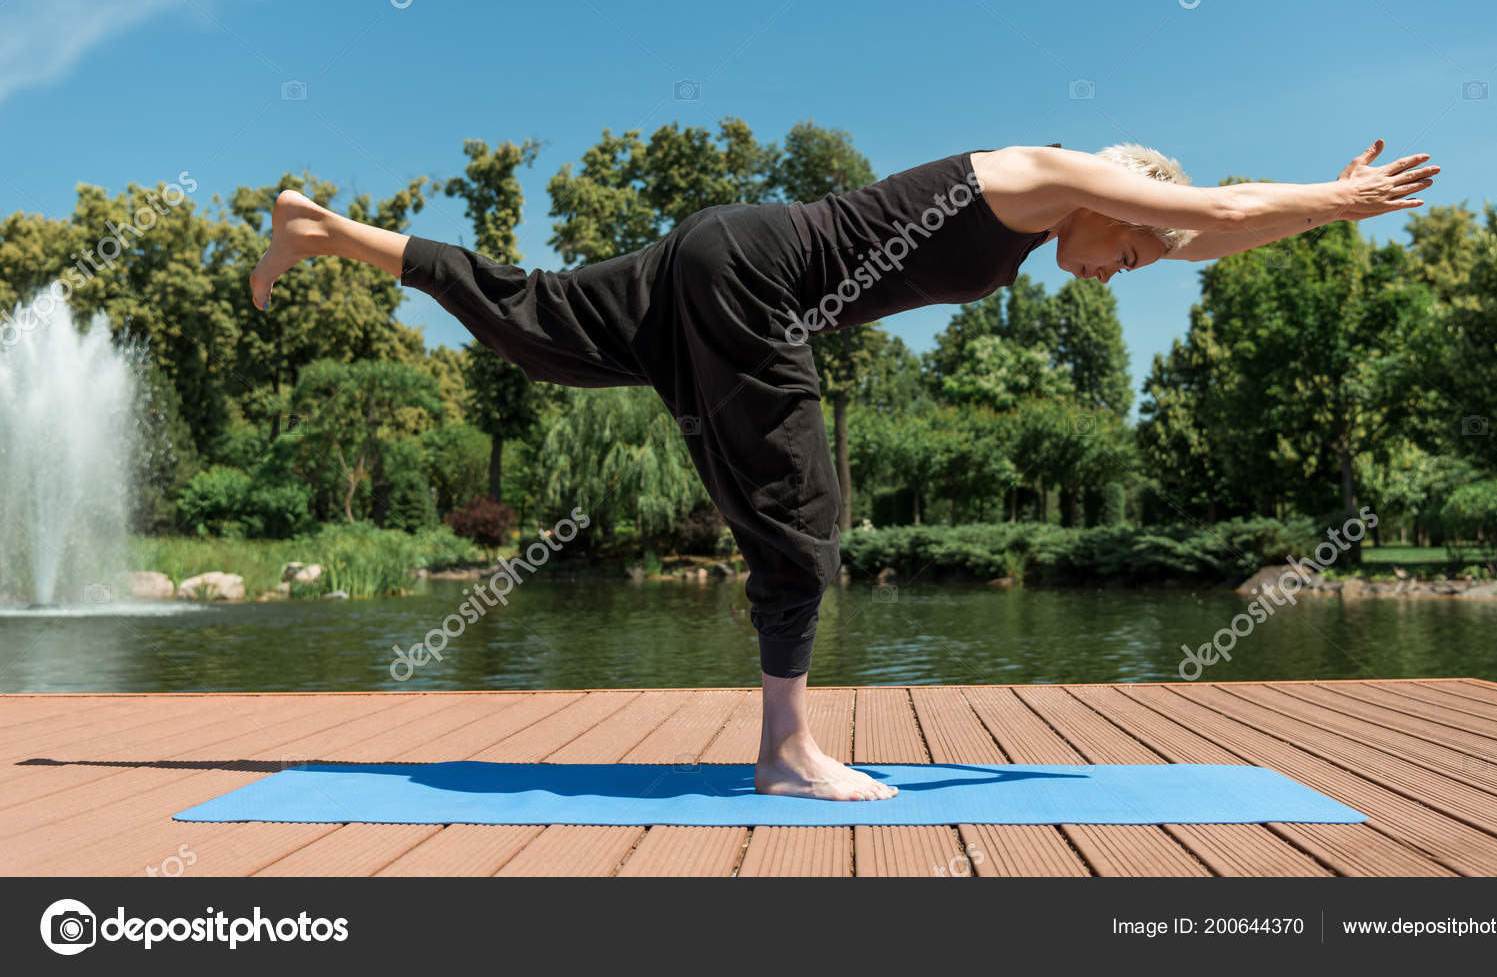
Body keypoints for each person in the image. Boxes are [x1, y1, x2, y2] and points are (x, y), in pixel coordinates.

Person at [249, 136, 1436, 801]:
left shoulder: (1051, 209)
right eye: (1131, 248)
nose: (1120, 268)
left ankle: (322, 228)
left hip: (719, 255)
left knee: (543, 325)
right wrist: (1338, 198)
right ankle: (785, 753)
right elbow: (1211, 205)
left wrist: (1316, 214)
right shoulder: (1046, 170)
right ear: (1119, 190)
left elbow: (1213, 224)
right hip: (753, 282)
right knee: (807, 513)